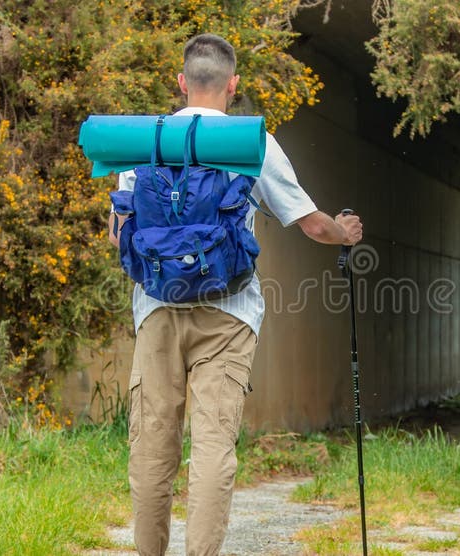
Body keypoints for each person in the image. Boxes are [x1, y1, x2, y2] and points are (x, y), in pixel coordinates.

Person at [107, 33, 363, 556]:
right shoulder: (252, 144)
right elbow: (311, 225)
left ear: (181, 82)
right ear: (234, 85)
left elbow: (119, 233)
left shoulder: (145, 141)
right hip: (228, 316)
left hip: (156, 310)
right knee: (212, 450)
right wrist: (345, 232)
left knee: (153, 451)